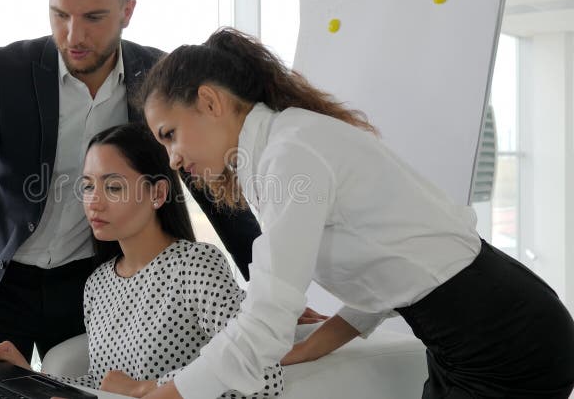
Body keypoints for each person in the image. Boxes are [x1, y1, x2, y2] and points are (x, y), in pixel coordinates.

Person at [133, 27, 574, 399]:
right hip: (476, 334)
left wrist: (169, 394)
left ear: (210, 102)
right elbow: (391, 258)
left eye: (170, 134)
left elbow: (268, 316)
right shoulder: (285, 144)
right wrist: (319, 342)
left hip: (505, 341)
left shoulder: (290, 153)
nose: (173, 159)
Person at [0, 0, 264, 359]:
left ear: (127, 11)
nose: (73, 36)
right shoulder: (3, 72)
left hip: (90, 281)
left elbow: (208, 180)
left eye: (93, 17)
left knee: (81, 384)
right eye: (60, 15)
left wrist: (267, 286)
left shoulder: (158, 78)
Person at [0, 123, 284, 398]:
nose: (94, 202)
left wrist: (145, 389)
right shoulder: (98, 283)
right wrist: (28, 376)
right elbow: (101, 385)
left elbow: (264, 376)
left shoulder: (195, 265)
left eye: (113, 187)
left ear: (158, 193)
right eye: (88, 186)